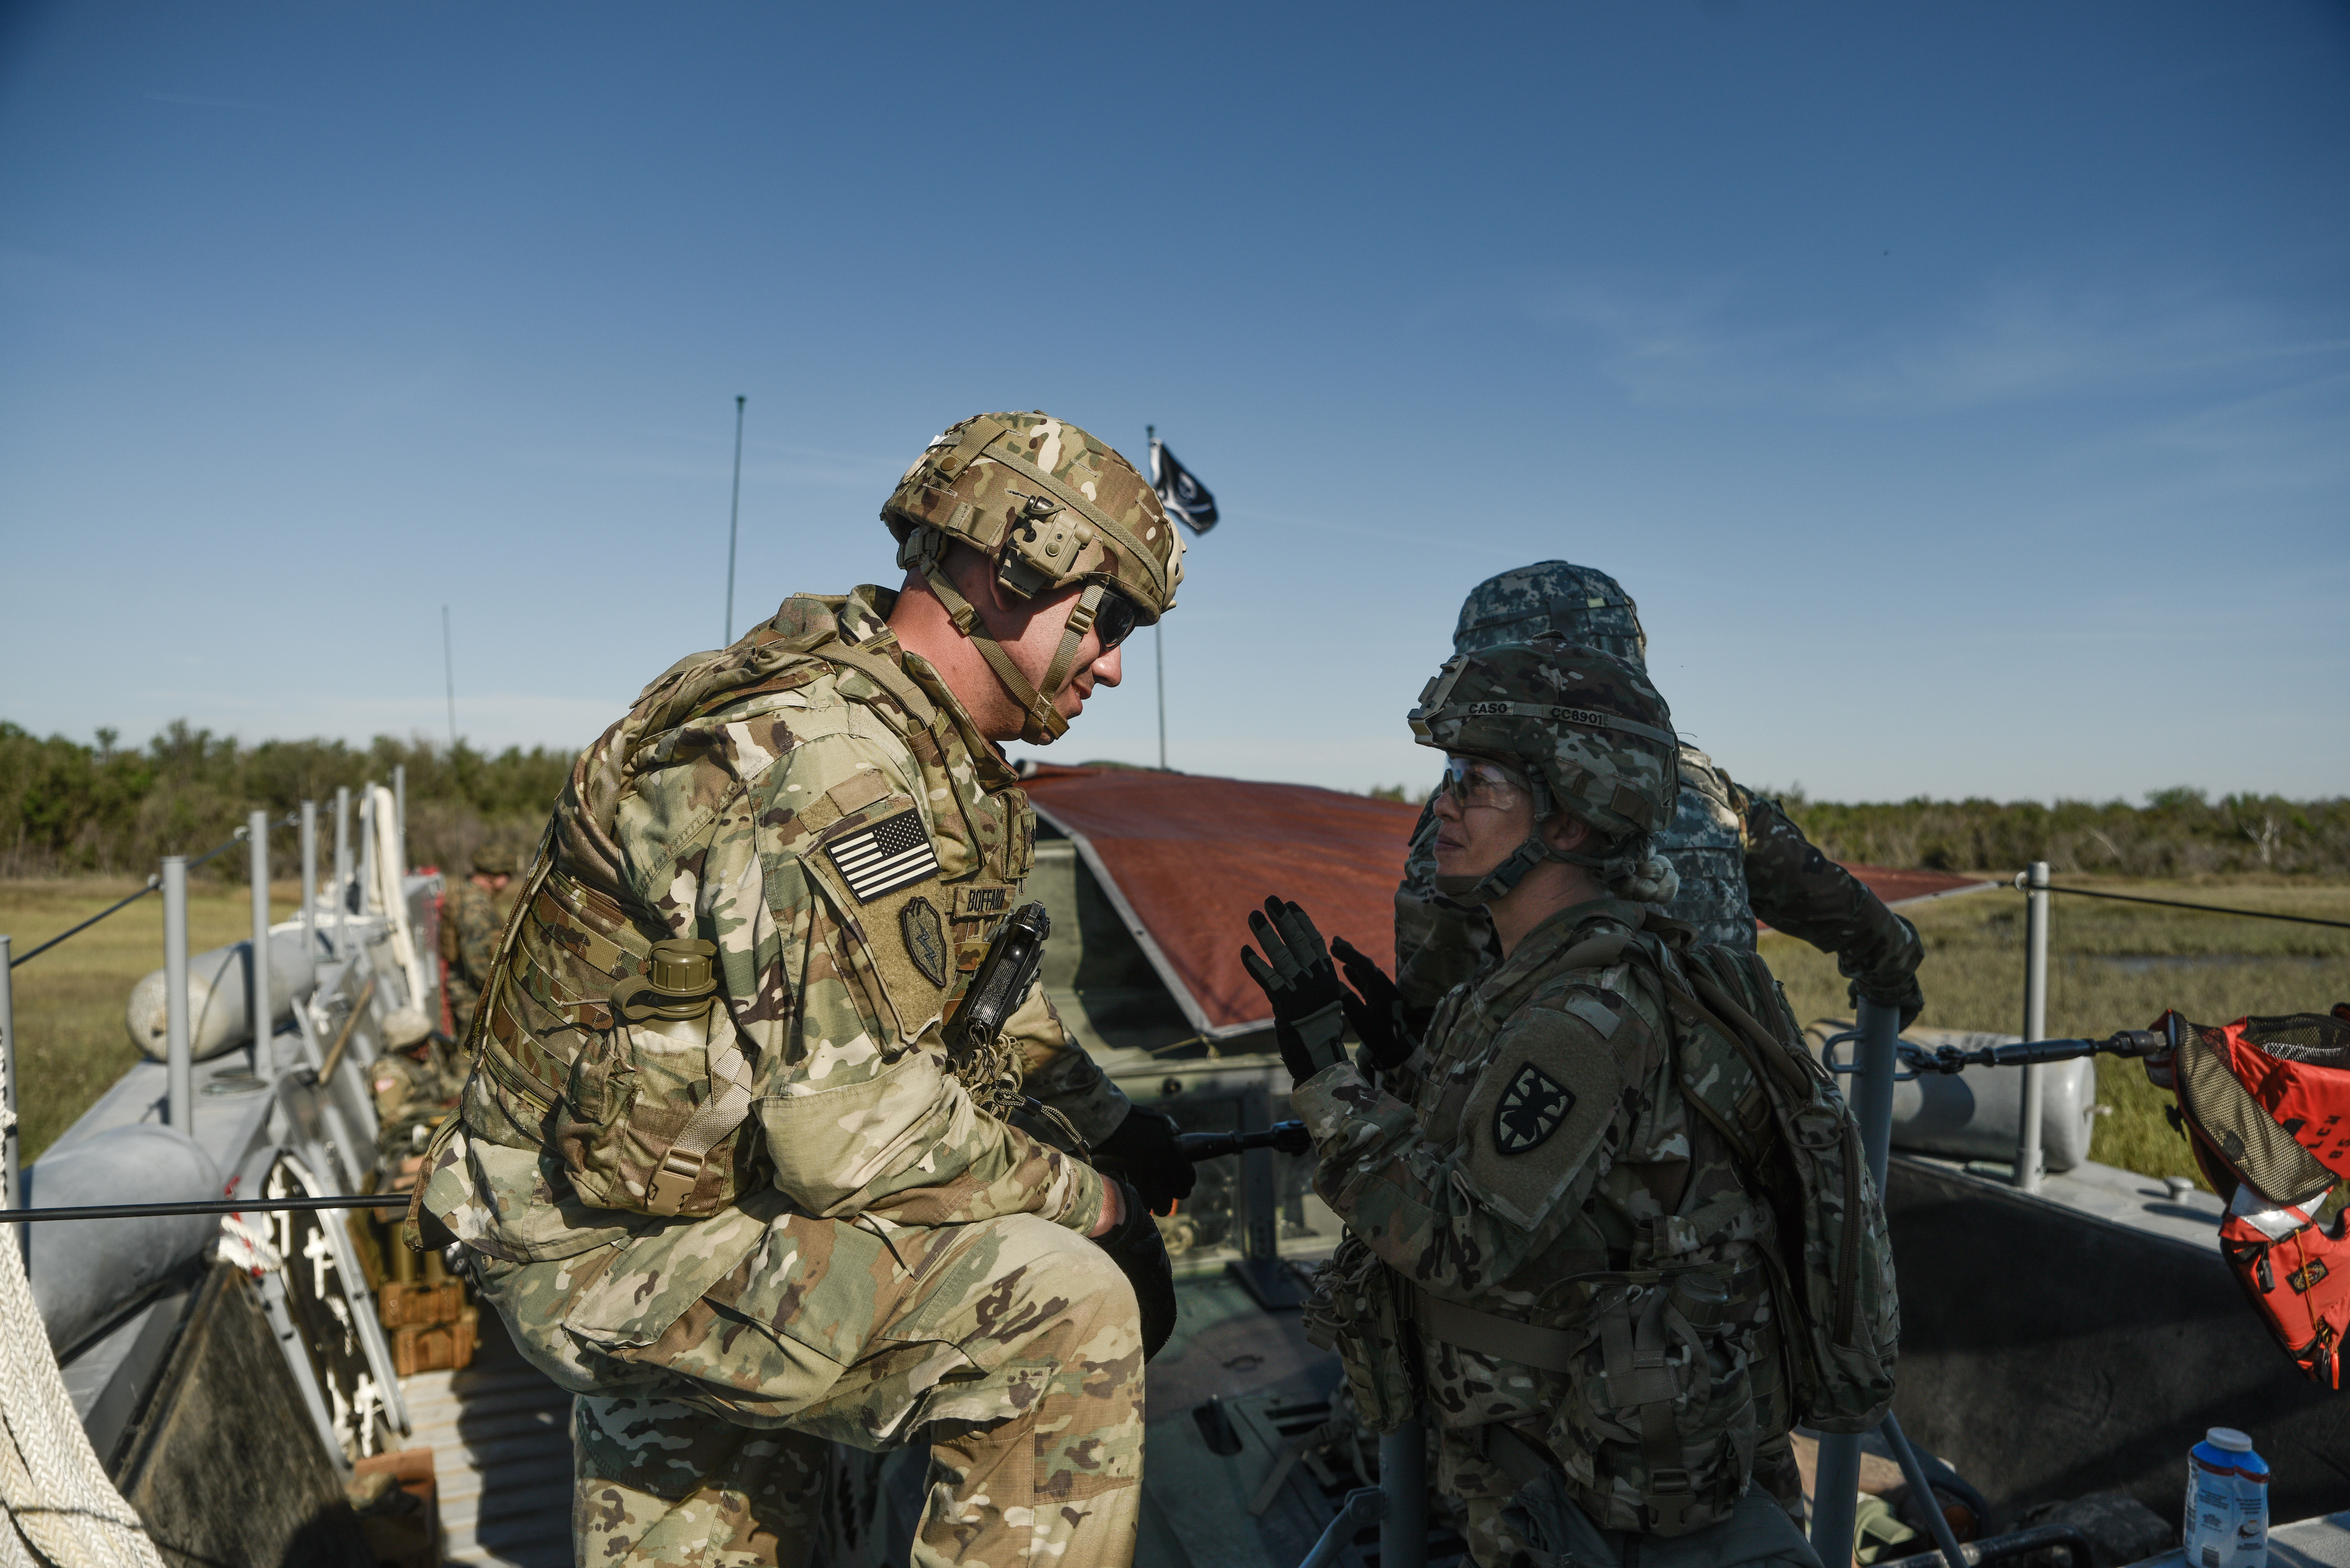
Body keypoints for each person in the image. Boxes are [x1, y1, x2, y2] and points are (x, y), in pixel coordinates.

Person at [414, 411, 1195, 1568]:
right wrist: (1101, 1208)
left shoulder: (905, 737)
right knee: (1062, 1312)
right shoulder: (834, 760)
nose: (1117, 661)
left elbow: (973, 989)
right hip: (606, 1245)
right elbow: (852, 1136)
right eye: (1112, 616)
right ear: (1014, 563)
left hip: (675, 1201)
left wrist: (1109, 1121)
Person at [1244, 636, 1823, 1568]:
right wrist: (1400, 1061)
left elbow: (1456, 1238)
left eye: (1475, 780)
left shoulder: (1582, 1012)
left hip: (1575, 1495)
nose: (1443, 805)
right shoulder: (1553, 974)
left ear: (1568, 819)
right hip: (1548, 1462)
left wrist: (1325, 1075)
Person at [1390, 561, 1924, 1041]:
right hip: (1725, 1125)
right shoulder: (1716, 797)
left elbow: (1424, 1021)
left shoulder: (1465, 824)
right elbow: (1862, 924)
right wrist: (1890, 985)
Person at [370, 1005, 458, 1190]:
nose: (424, 1050)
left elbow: (445, 1083)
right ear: (400, 1049)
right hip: (412, 1135)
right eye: (415, 1048)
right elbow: (392, 1117)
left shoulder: (430, 1050)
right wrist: (439, 1110)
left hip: (443, 1117)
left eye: (424, 1041)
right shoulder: (389, 1073)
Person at [440, 846, 513, 1040]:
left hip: (470, 990)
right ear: (493, 875)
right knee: (470, 1053)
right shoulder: (476, 906)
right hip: (472, 994)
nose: (508, 882)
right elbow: (477, 960)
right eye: (508, 875)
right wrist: (500, 992)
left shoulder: (468, 893)